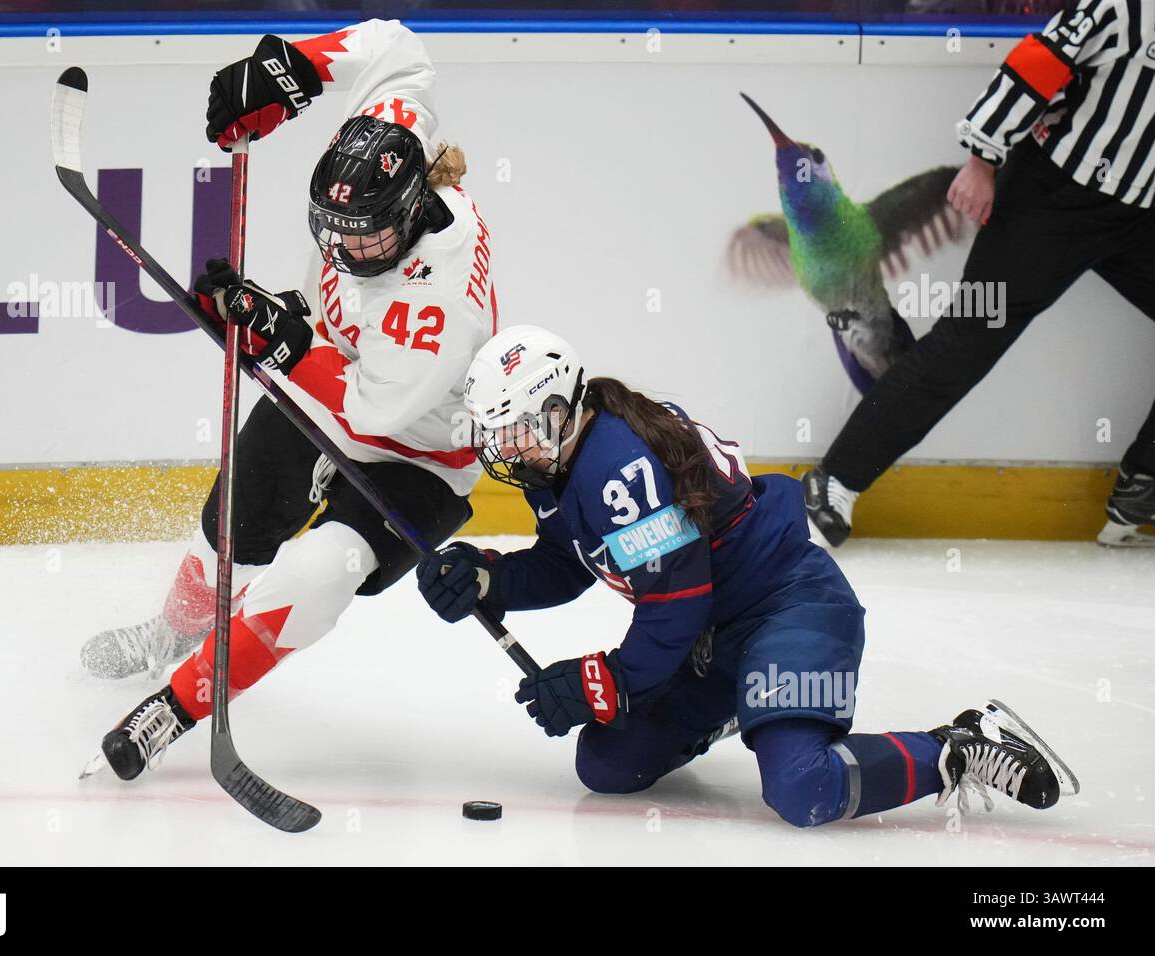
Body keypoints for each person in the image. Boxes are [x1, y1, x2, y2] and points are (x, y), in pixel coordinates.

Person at [416, 325, 1077, 826]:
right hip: (712, 637)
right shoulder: (560, 459)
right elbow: (571, 562)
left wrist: (606, 680)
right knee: (609, 762)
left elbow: (675, 602)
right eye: (499, 434)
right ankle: (748, 698)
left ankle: (955, 747)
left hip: (791, 608)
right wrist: (489, 580)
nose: (509, 448)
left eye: (521, 429)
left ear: (562, 406)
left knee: (803, 788)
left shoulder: (619, 469)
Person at [83, 20, 499, 780]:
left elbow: (373, 414)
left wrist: (281, 342)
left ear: (411, 213)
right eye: (333, 231)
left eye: (363, 239)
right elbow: (397, 46)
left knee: (318, 572)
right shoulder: (390, 140)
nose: (342, 250)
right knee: (232, 519)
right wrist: (287, 71)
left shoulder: (437, 303)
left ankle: (177, 704)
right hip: (336, 378)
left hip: (422, 456)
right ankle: (172, 632)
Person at [803, 0, 1155, 548]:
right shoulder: (1127, 8)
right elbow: (1039, 61)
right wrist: (983, 158)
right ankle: (836, 479)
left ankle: (1143, 486)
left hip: (1142, 213)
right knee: (969, 338)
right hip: (1053, 197)